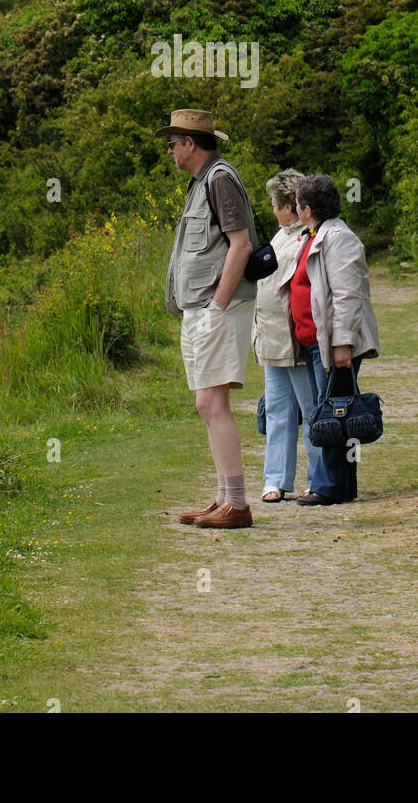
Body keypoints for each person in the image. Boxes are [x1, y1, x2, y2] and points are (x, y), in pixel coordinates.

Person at [157, 108, 258, 530]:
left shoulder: (219, 179)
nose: (170, 151)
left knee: (212, 404)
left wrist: (217, 303)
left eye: (173, 143)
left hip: (217, 307)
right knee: (207, 405)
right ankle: (223, 498)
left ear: (190, 144)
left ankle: (236, 503)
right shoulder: (203, 182)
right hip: (199, 309)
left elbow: (242, 245)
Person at [278, 173, 380, 506]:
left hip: (332, 342)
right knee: (332, 411)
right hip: (312, 342)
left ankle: (329, 486)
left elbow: (348, 295)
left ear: (306, 208)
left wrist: (342, 343)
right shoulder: (313, 234)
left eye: (298, 203)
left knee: (334, 412)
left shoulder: (339, 237)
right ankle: (340, 485)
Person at [251, 169, 319, 502]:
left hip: (295, 340)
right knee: (278, 410)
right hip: (271, 340)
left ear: (288, 206)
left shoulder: (307, 236)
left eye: (275, 204)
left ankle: (318, 478)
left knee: (310, 410)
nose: (273, 211)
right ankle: (275, 479)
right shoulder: (280, 236)